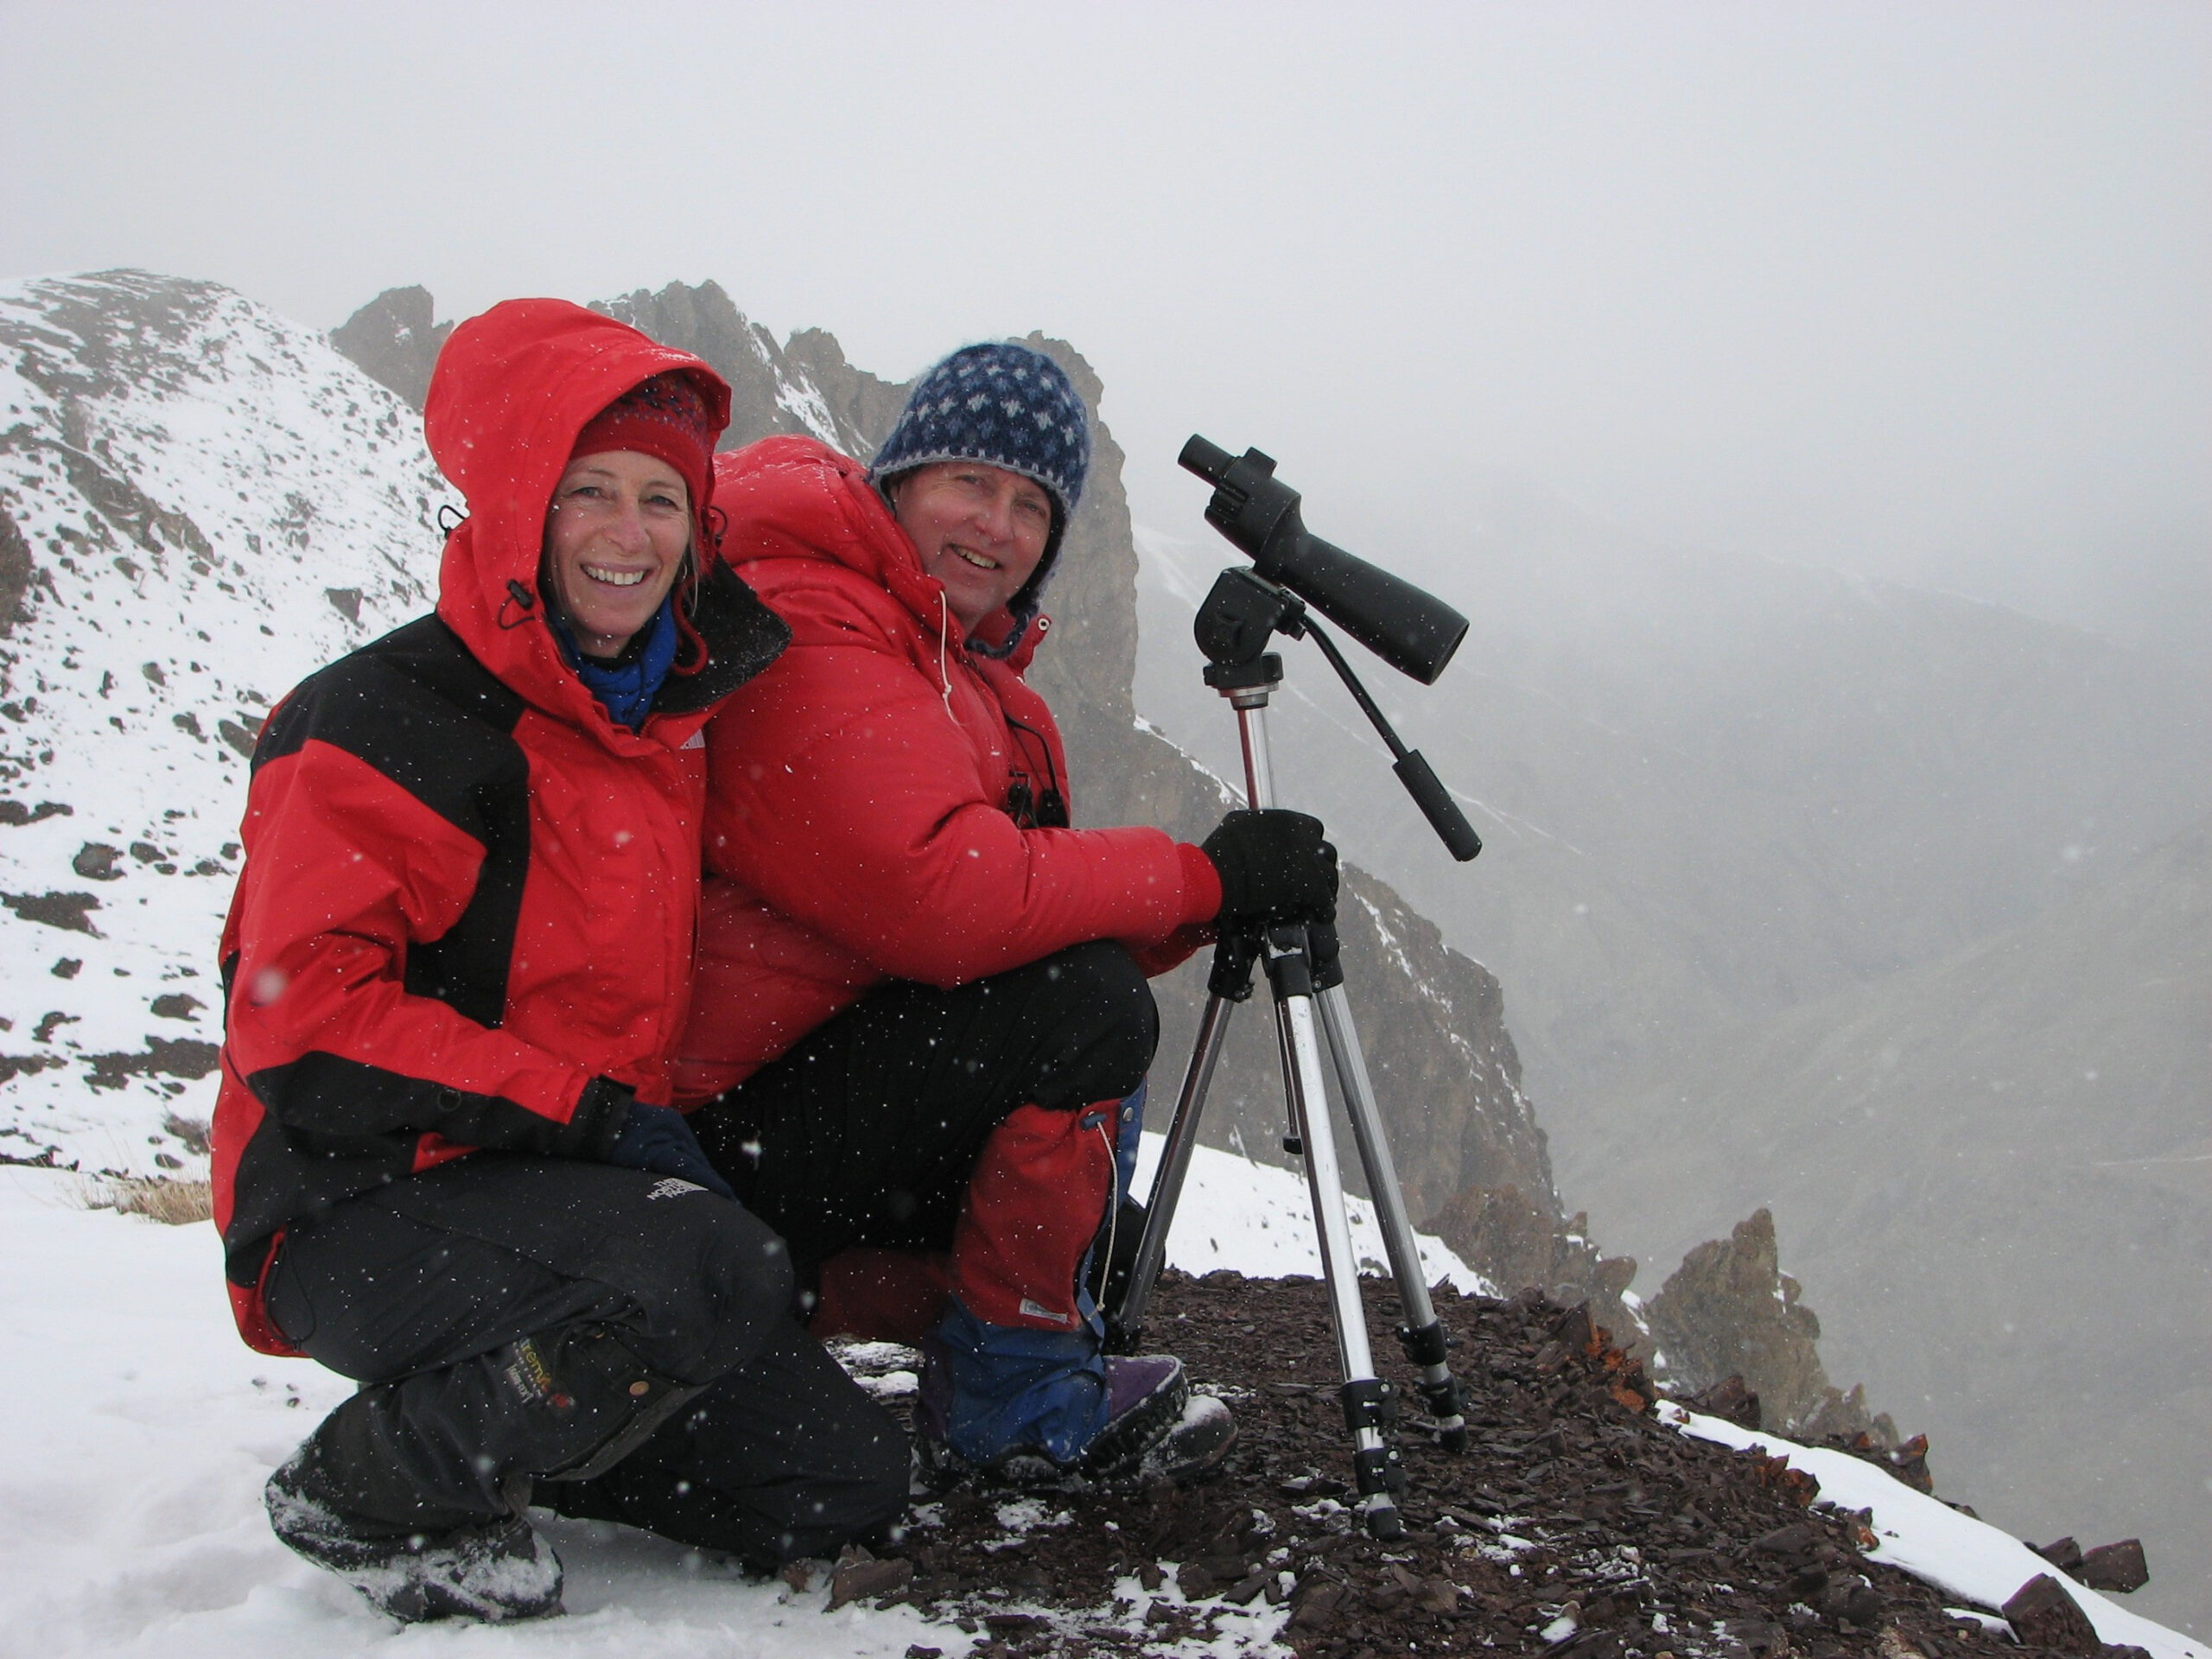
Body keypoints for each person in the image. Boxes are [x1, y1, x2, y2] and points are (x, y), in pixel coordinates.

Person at [210, 299, 908, 1624]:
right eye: (590, 491)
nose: (630, 535)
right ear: (523, 506)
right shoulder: (383, 718)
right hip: (355, 1206)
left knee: (845, 1479)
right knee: (707, 1268)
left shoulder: (657, 726)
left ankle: (542, 1419)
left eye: (663, 500)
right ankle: (371, 1486)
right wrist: (588, 1117)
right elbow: (301, 1026)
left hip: (554, 1204)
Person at [673, 342, 1339, 1487]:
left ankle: (1011, 1342)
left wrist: (1198, 898)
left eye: (1033, 503)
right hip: (709, 1153)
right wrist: (1206, 881)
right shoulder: (812, 623)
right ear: (899, 483)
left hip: (787, 1115)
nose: (1000, 523)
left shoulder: (960, 669)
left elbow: (998, 908)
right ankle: (1013, 1397)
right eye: (970, 483)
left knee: (1086, 1151)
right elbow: (942, 896)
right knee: (1081, 1009)